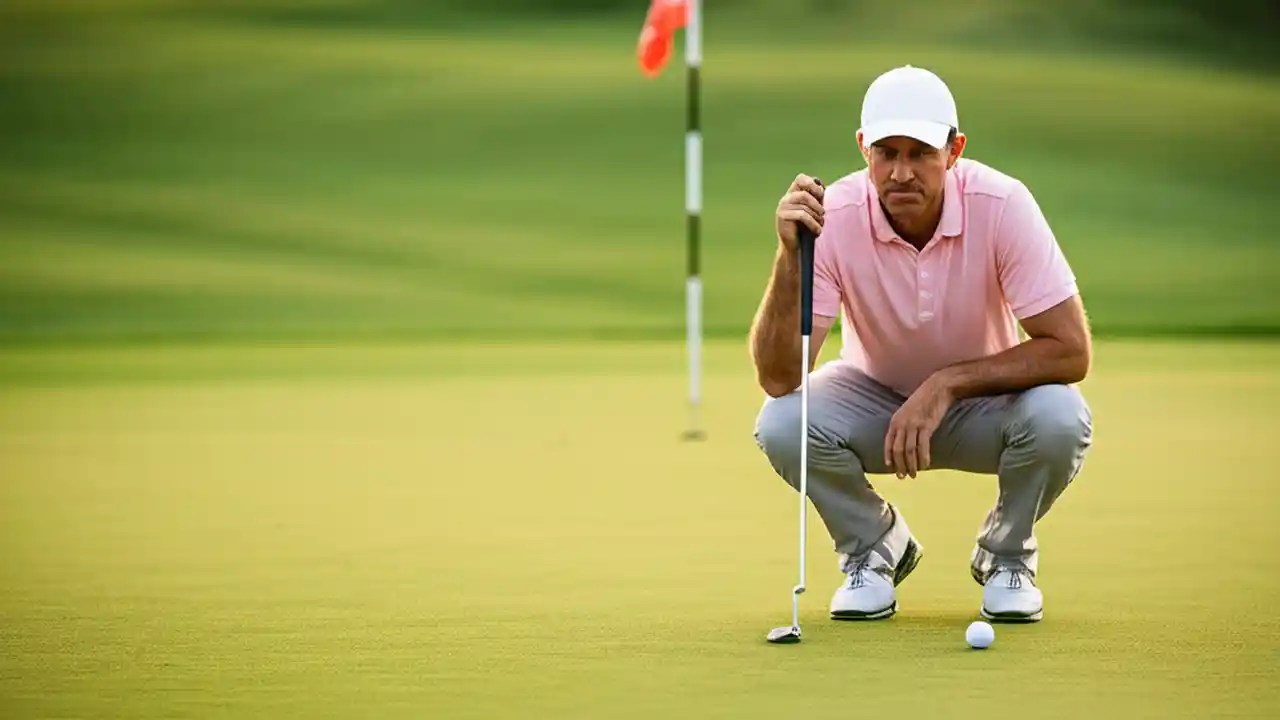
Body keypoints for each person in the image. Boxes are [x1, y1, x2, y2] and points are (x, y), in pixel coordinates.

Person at [749, 65, 1093, 623]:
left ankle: (1008, 556)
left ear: (954, 151)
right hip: (876, 405)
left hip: (986, 409)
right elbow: (780, 378)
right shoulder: (832, 215)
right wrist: (790, 258)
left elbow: (1071, 350)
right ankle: (873, 546)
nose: (901, 173)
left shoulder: (1002, 203)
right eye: (887, 152)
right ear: (863, 148)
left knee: (1060, 414)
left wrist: (946, 383)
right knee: (782, 420)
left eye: (921, 153)